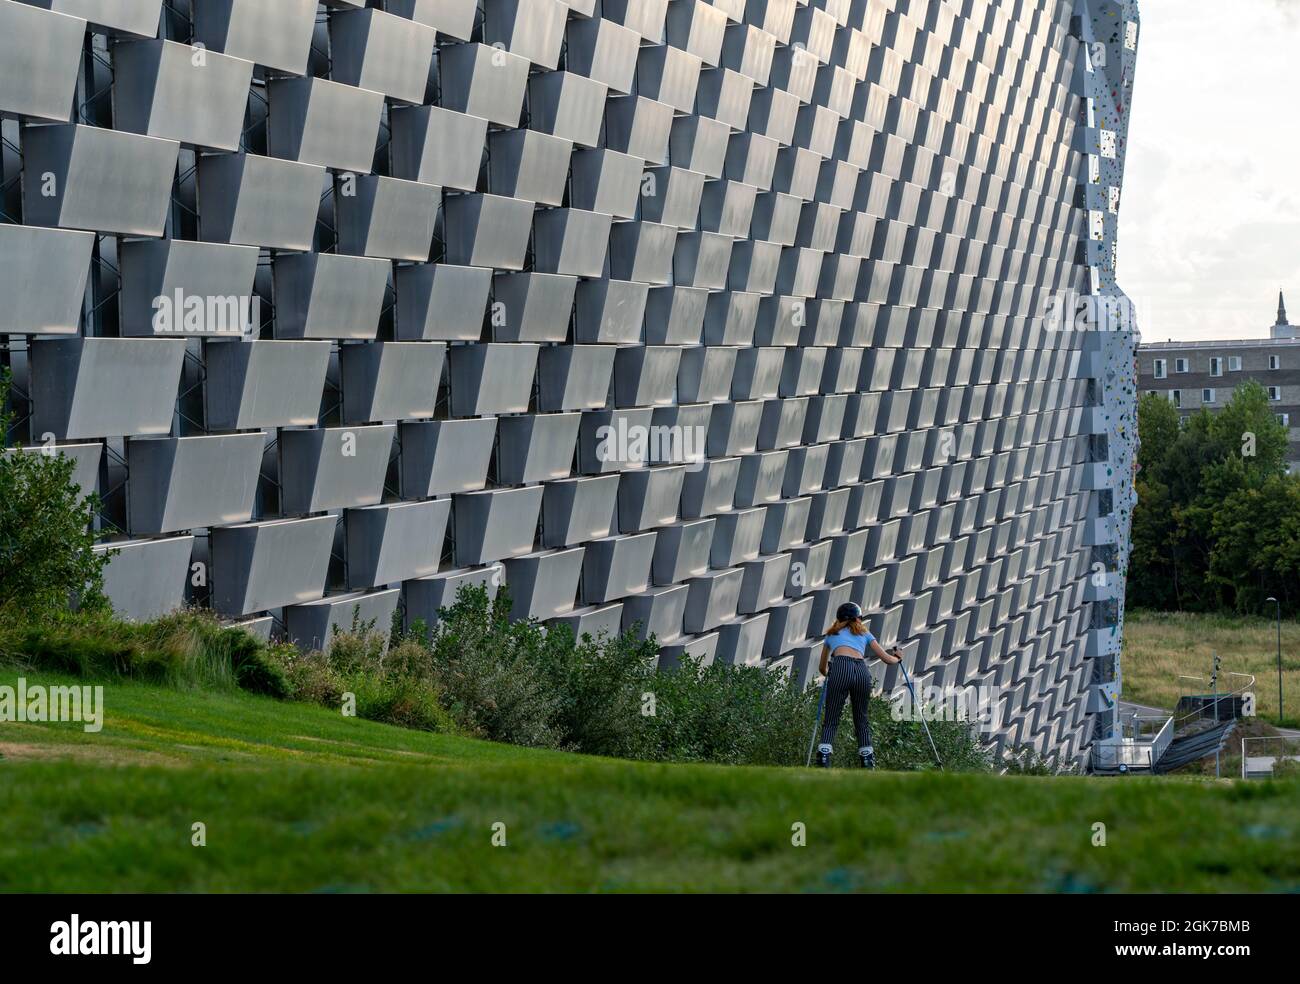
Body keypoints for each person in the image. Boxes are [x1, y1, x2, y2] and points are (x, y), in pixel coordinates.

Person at [814, 602, 902, 768]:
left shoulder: (831, 635)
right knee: (861, 718)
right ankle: (867, 760)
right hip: (862, 671)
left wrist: (832, 676)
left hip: (839, 668)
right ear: (858, 618)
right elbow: (887, 659)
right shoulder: (864, 632)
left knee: (832, 717)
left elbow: (822, 668)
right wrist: (898, 657)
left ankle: (824, 757)